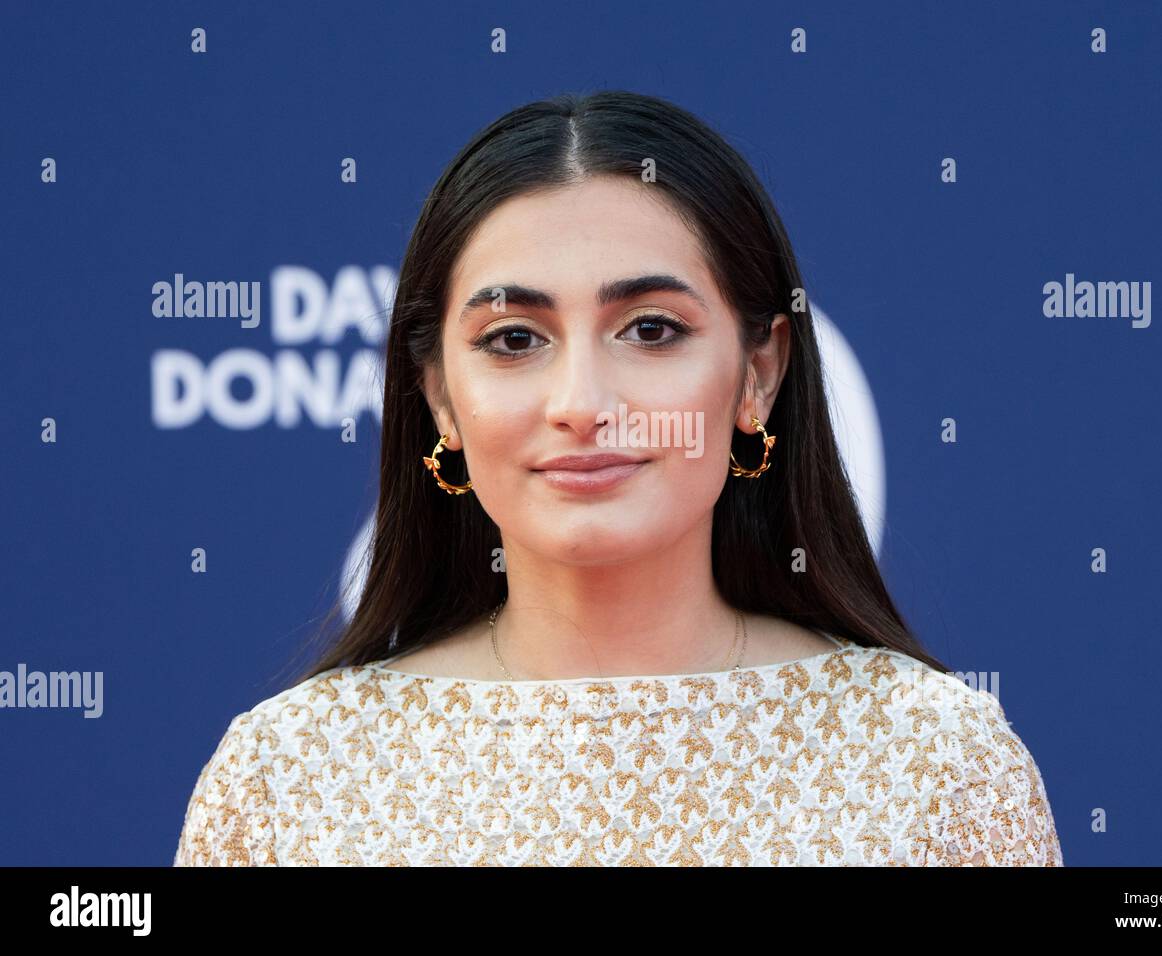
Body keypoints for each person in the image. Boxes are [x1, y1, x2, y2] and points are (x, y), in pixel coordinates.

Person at [173, 90, 1063, 867]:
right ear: (439, 396)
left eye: (649, 330)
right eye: (514, 339)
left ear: (759, 373)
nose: (582, 403)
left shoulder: (938, 765)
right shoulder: (287, 782)